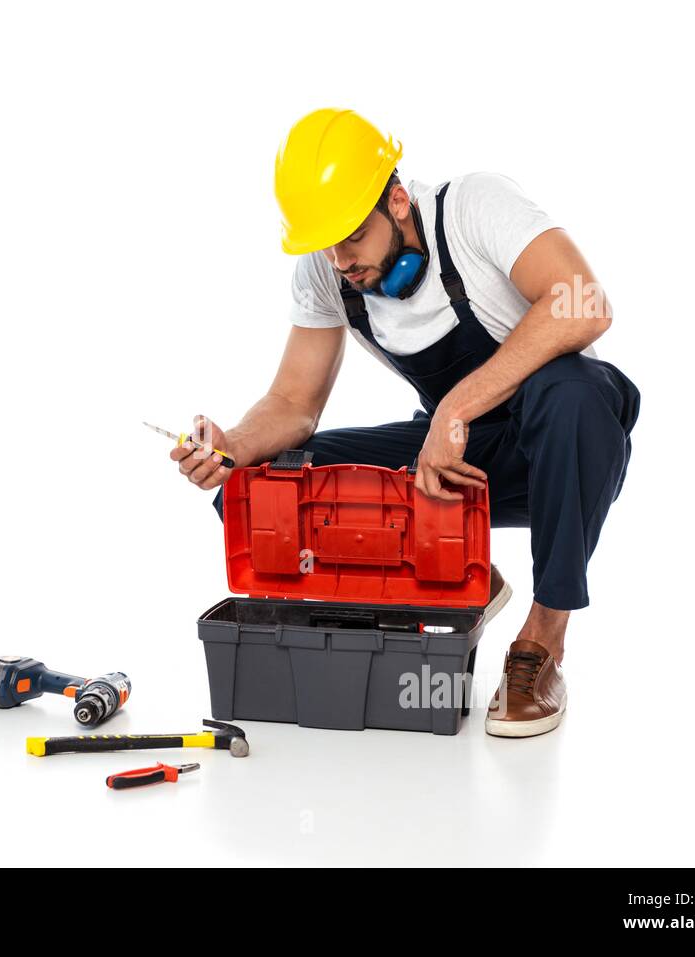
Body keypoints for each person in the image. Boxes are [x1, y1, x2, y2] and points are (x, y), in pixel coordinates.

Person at [171, 108, 640, 738]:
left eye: (352, 236)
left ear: (396, 200)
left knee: (576, 392)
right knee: (261, 487)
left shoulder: (473, 207)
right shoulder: (326, 271)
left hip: (560, 452)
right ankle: (459, 578)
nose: (341, 259)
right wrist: (235, 446)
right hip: (454, 467)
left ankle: (544, 641)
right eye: (326, 242)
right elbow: (293, 403)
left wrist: (455, 406)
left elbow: (583, 301)